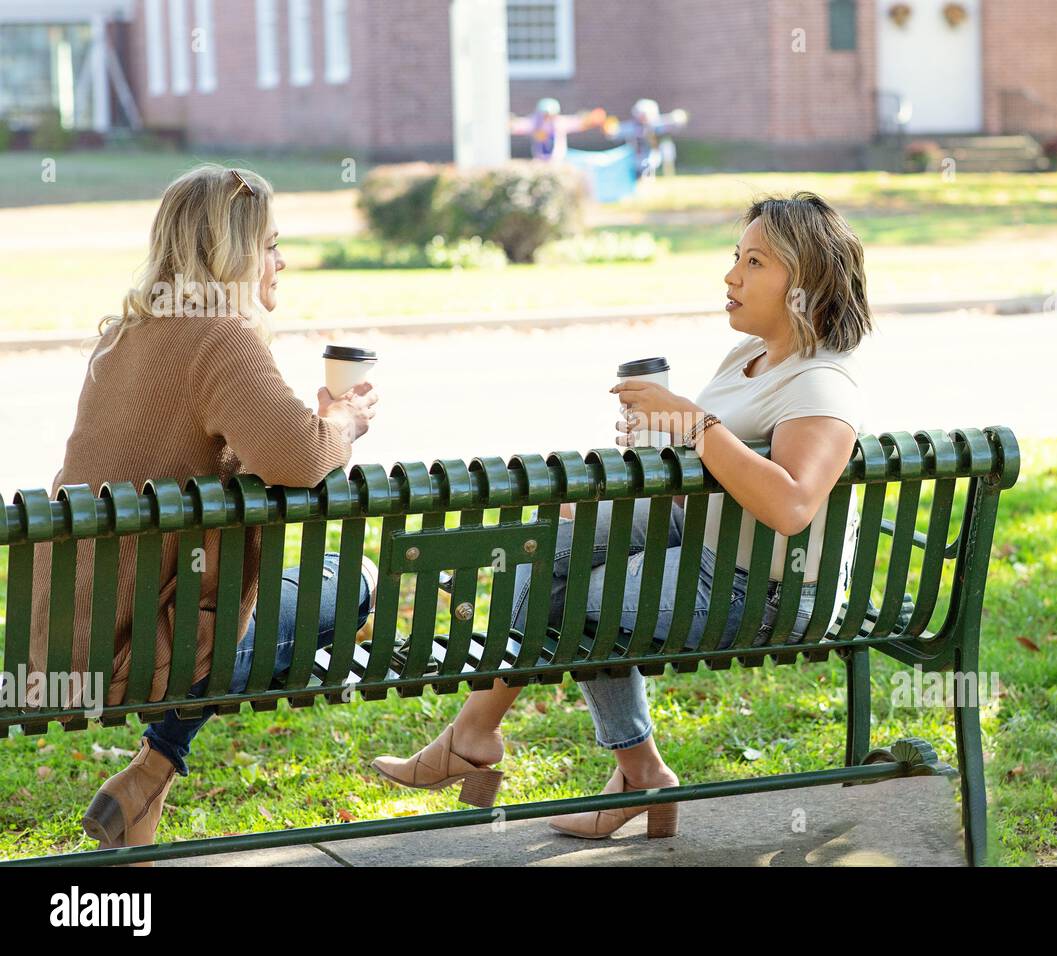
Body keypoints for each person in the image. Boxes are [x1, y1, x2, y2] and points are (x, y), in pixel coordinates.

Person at [372, 192, 871, 840]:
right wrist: (670, 443)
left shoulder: (821, 385)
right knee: (550, 550)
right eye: (735, 257)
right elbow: (716, 470)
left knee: (567, 591)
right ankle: (534, 747)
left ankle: (607, 765)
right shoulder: (749, 356)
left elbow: (792, 505)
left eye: (755, 263)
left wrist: (694, 424)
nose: (731, 276)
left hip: (759, 591)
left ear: (805, 284)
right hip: (708, 546)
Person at [24, 164, 380, 859]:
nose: (282, 261)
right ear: (235, 251)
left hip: (65, 641)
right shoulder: (221, 338)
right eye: (271, 244)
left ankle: (144, 793)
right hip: (142, 651)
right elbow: (305, 460)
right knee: (355, 583)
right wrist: (344, 420)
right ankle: (152, 771)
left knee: (227, 603)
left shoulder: (124, 336)